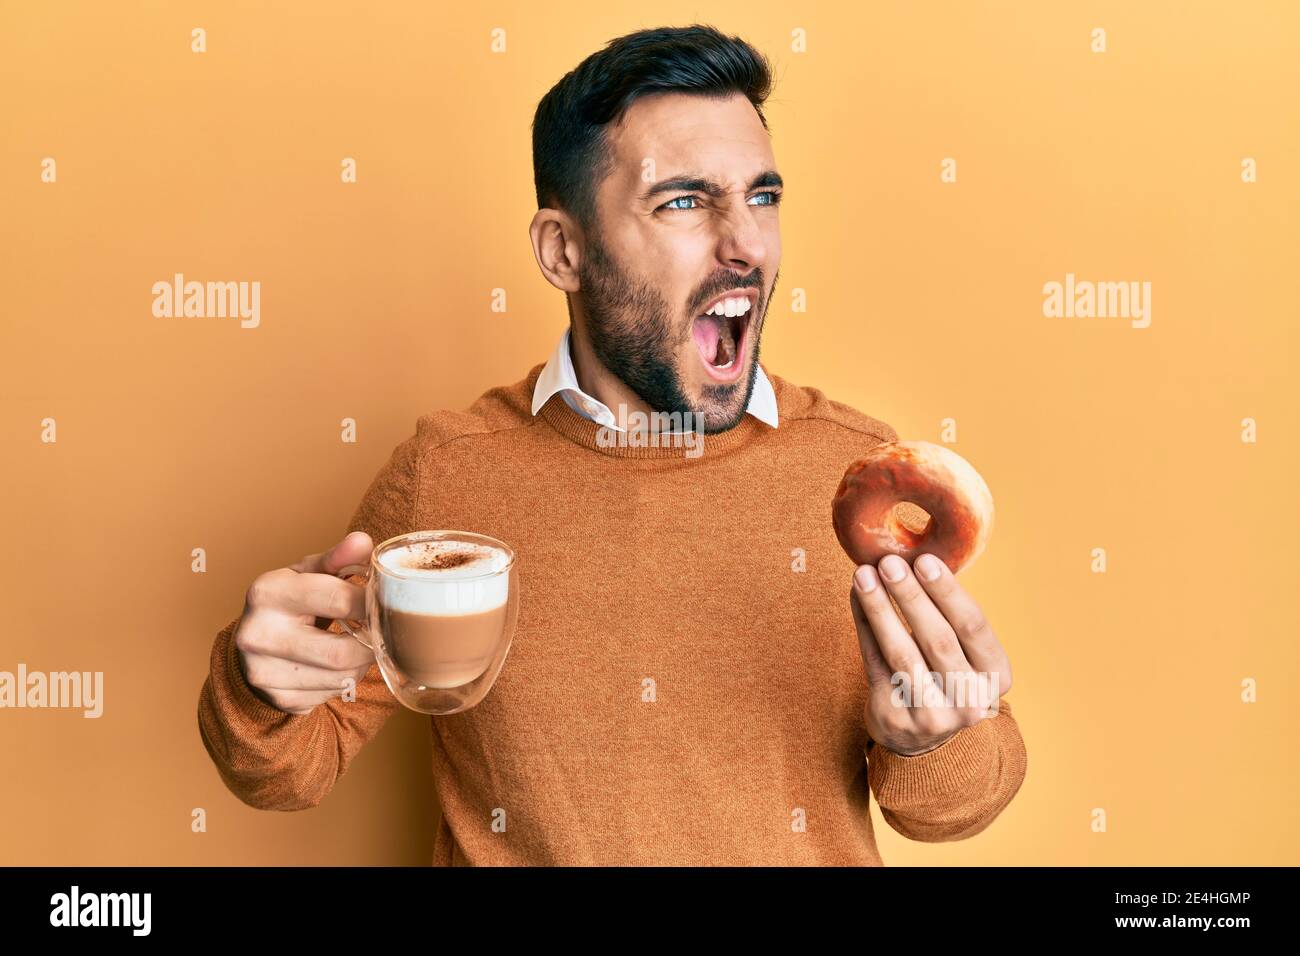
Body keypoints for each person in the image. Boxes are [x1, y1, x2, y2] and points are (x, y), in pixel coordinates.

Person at [198, 23, 1026, 866]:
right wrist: (258, 681)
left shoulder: (853, 474)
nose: (746, 244)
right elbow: (287, 772)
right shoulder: (445, 474)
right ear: (565, 251)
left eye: (763, 197)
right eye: (684, 202)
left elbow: (952, 811)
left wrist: (932, 740)